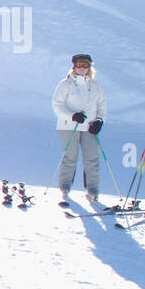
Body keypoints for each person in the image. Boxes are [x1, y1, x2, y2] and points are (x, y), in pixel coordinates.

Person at [52, 52, 107, 205]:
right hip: (69, 126)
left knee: (92, 158)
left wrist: (99, 121)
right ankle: (65, 188)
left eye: (85, 65)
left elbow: (102, 105)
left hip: (89, 127)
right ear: (74, 66)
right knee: (70, 157)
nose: (82, 68)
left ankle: (93, 191)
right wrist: (72, 116)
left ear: (89, 67)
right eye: (79, 65)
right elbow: (57, 105)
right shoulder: (66, 84)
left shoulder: (95, 85)